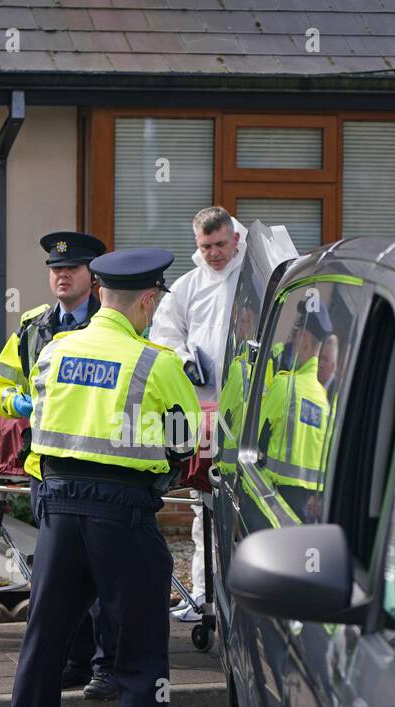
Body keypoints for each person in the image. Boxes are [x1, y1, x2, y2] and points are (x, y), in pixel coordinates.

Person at [3, 248, 201, 707]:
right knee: (141, 660)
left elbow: (36, 420)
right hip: (125, 519)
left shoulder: (56, 352)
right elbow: (184, 446)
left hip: (59, 514)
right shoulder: (156, 364)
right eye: (156, 303)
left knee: (41, 648)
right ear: (145, 300)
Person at [0, 230, 119, 700]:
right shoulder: (33, 326)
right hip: (49, 471)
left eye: (72, 269)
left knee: (105, 577)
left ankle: (107, 668)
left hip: (100, 466)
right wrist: (15, 403)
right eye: (55, 270)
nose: (61, 276)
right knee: (62, 576)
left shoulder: (113, 324)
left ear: (93, 276)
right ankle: (76, 661)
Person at [148, 207, 247, 623]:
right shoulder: (189, 287)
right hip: (204, 408)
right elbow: (165, 335)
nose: (213, 253)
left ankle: (243, 595)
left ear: (236, 240)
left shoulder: (255, 280)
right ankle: (205, 594)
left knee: (247, 501)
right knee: (202, 499)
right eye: (205, 246)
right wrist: (186, 360)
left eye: (220, 244)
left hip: (248, 407)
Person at [258, 302, 333, 522]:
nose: (292, 340)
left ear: (306, 341)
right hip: (309, 509)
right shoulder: (324, 402)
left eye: (296, 334)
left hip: (275, 500)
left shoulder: (285, 387)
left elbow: (254, 442)